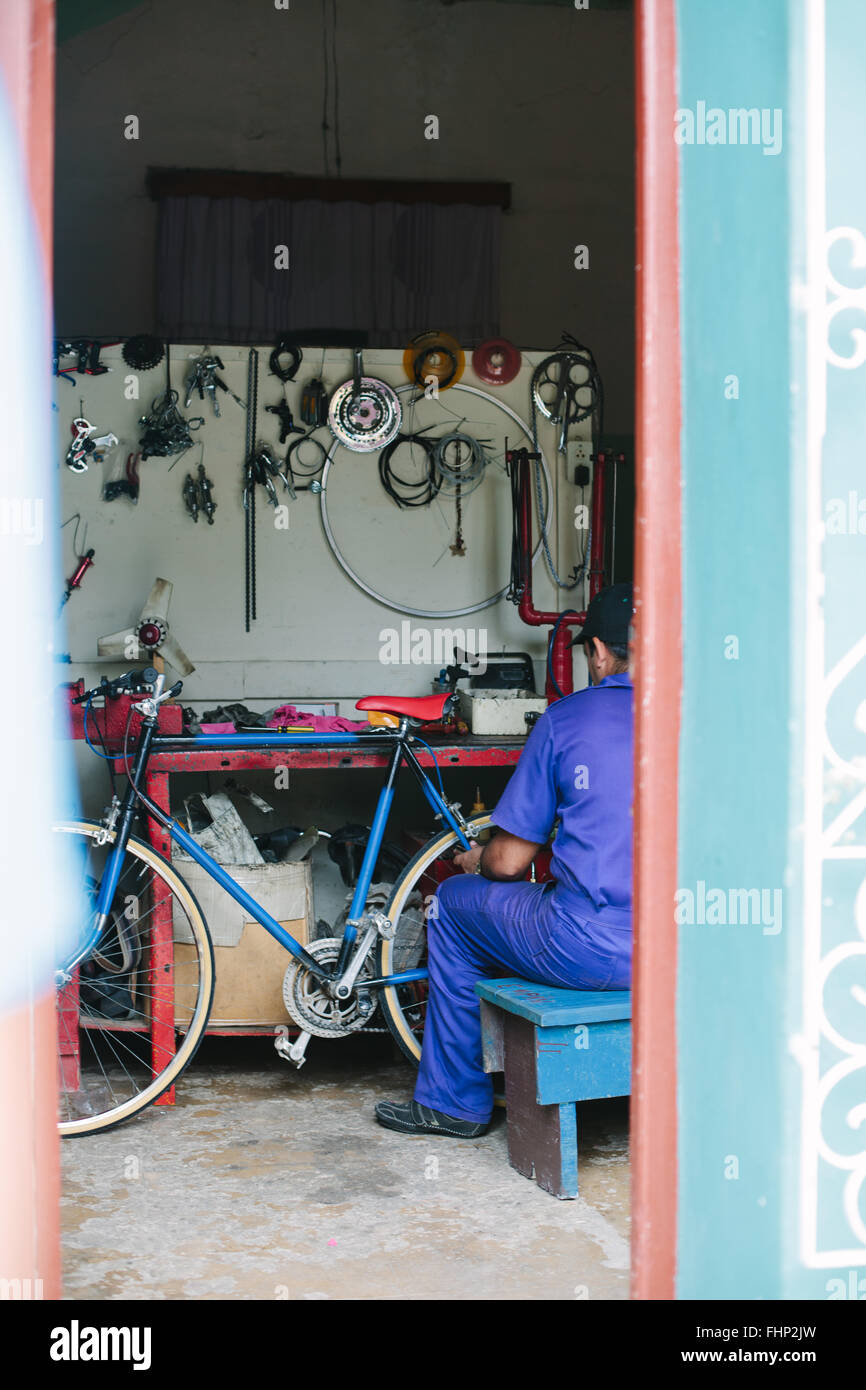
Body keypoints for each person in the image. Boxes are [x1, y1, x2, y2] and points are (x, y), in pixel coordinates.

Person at [375, 582, 635, 1138]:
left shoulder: (567, 721)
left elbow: (510, 863)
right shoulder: (706, 722)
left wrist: (474, 864)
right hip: (685, 951)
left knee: (451, 905)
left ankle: (455, 1102)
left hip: (588, 947)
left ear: (598, 654)